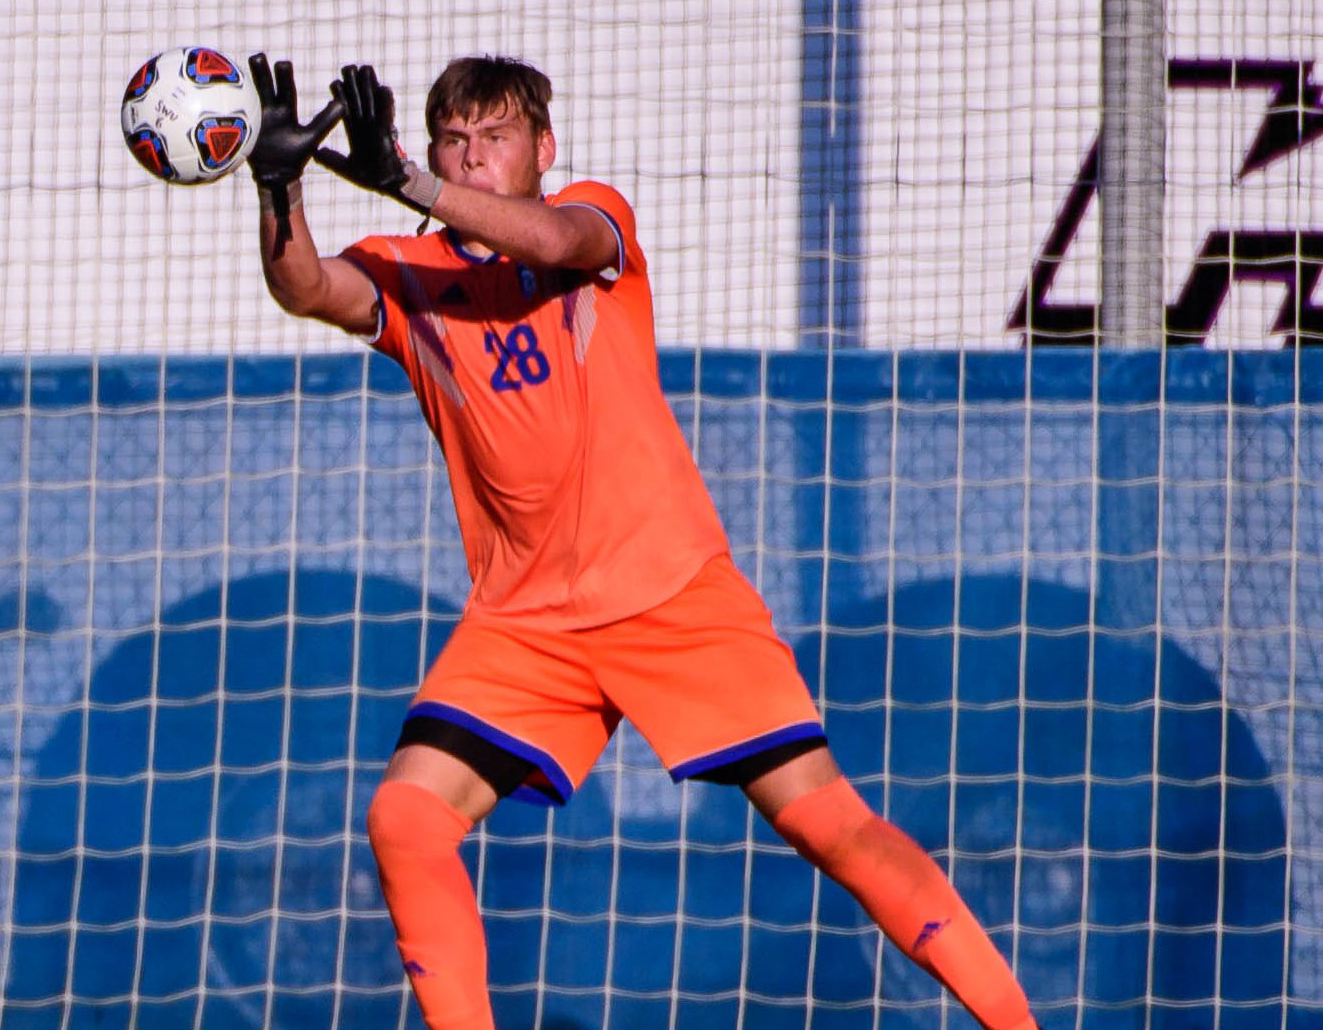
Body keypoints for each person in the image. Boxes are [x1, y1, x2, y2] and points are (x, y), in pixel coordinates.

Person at [241, 52, 1041, 1030]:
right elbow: (307, 287)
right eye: (455, 137)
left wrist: (415, 178)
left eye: (495, 139)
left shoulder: (592, 220)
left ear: (544, 148)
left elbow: (555, 234)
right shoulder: (413, 274)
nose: (474, 156)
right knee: (405, 815)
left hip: (671, 595)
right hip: (524, 623)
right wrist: (275, 186)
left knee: (826, 822)